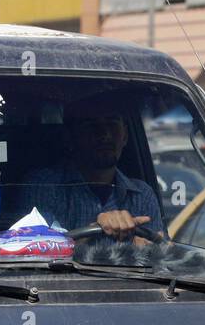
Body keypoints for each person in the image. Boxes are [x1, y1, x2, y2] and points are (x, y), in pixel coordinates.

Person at [8, 96, 163, 243]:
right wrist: (94, 229)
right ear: (69, 137)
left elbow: (164, 259)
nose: (104, 134)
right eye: (91, 125)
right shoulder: (42, 186)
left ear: (125, 137)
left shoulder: (142, 195)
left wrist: (149, 250)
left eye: (112, 122)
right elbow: (31, 253)